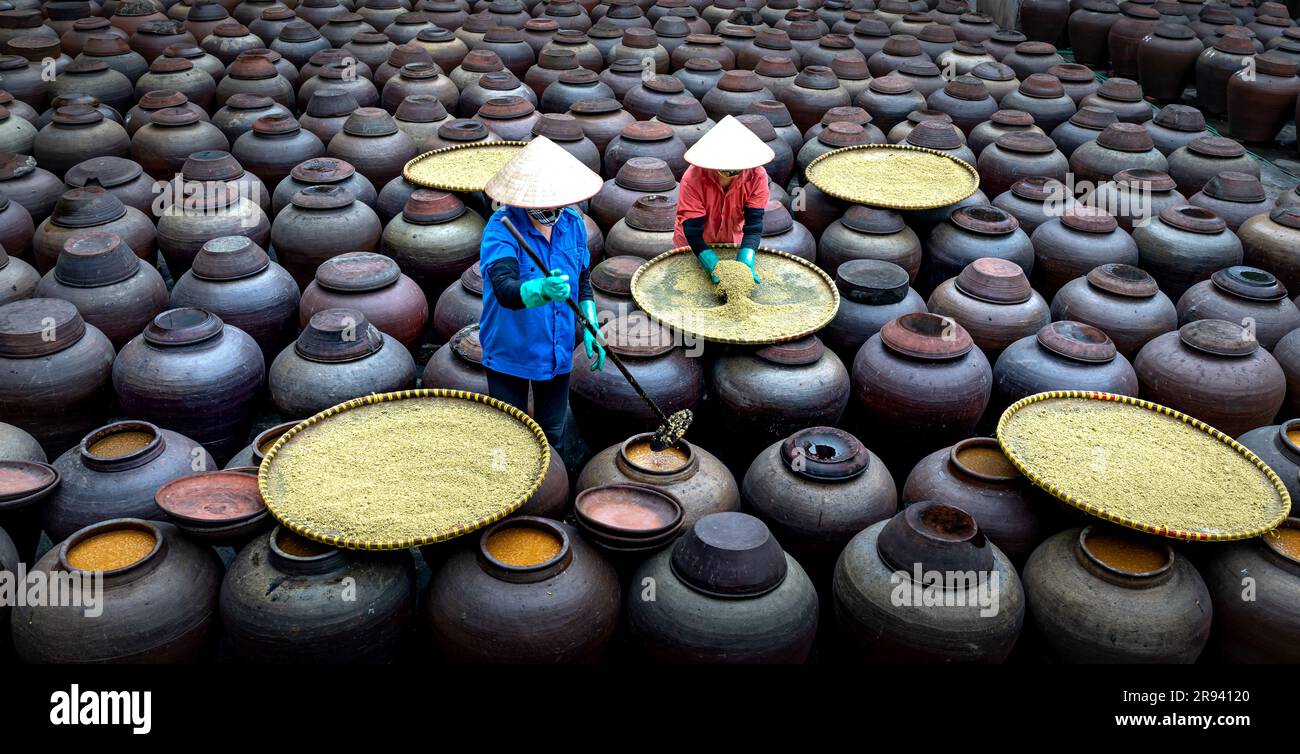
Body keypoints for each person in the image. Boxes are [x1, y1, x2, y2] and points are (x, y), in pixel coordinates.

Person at [479, 136, 606, 455]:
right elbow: (505, 290)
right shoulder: (501, 228)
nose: (551, 207)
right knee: (509, 437)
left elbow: (582, 277)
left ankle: (553, 496)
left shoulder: (573, 223)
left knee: (553, 432)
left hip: (557, 348)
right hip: (511, 350)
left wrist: (590, 323)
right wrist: (540, 290)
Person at [673, 114, 776, 284]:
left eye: (736, 170)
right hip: (693, 244)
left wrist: (745, 261)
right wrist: (712, 264)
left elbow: (754, 226)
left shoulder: (757, 176)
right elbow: (692, 231)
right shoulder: (693, 178)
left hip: (730, 239)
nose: (731, 175)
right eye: (724, 170)